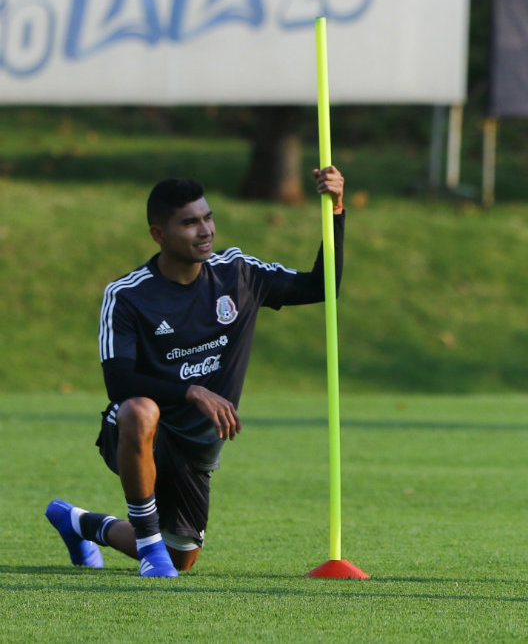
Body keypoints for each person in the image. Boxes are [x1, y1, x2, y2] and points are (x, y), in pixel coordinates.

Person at [44, 167, 346, 577]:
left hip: (196, 449)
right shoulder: (128, 295)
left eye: (207, 217)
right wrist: (192, 391)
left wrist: (336, 210)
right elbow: (119, 383)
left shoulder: (238, 275)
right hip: (140, 433)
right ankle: (150, 549)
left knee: (182, 559)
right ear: (158, 235)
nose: (205, 230)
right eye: (189, 222)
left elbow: (321, 286)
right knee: (138, 410)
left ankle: (80, 523)